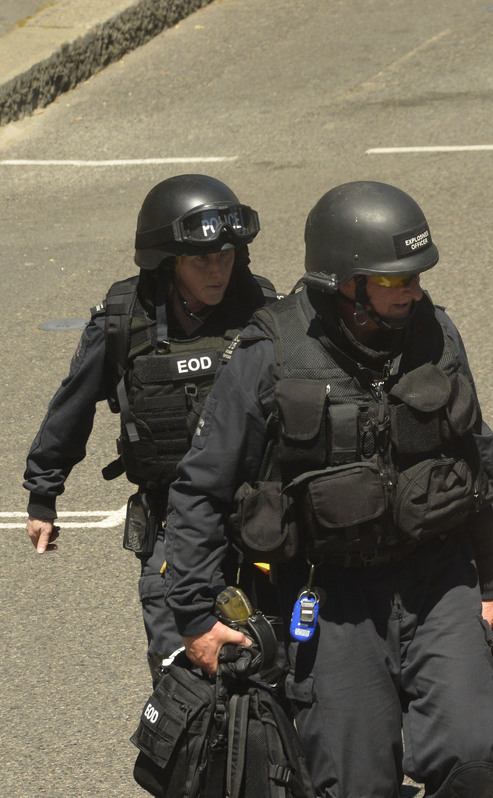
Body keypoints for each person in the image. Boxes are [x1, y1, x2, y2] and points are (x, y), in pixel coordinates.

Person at [163, 181, 493, 797]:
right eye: (395, 280)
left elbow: (475, 460)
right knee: (353, 779)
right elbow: (201, 490)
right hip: (330, 592)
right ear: (345, 284)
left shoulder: (437, 335)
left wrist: (489, 584)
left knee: (473, 751)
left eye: (417, 277)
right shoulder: (269, 357)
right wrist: (194, 617)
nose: (415, 291)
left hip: (438, 578)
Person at [23, 174, 276, 678]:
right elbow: (71, 406)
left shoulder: (264, 312)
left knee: (272, 663)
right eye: (201, 259)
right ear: (168, 261)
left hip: (259, 517)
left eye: (226, 255)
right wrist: (43, 493)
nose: (217, 269)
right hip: (171, 524)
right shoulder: (124, 320)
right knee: (182, 676)